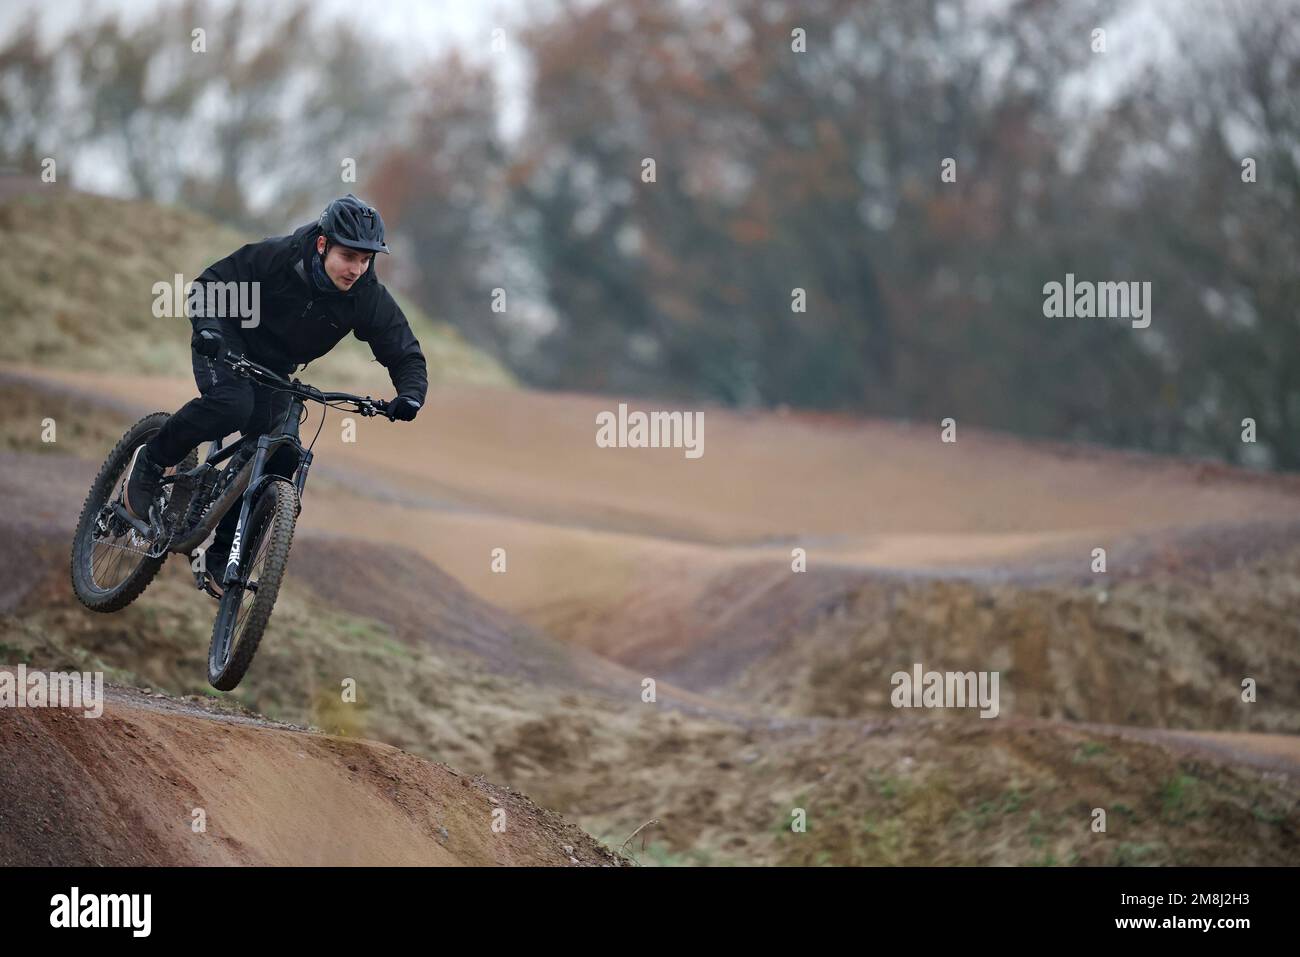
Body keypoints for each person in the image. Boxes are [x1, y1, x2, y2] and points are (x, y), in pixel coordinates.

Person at [123, 194, 427, 592]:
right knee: (232, 405)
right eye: (348, 257)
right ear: (323, 245)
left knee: (284, 451)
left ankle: (222, 557)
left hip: (275, 369)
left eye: (366, 260)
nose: (356, 269)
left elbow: (403, 350)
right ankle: (152, 459)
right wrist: (209, 330)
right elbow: (211, 285)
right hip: (227, 339)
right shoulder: (280, 258)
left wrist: (410, 394)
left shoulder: (365, 296)